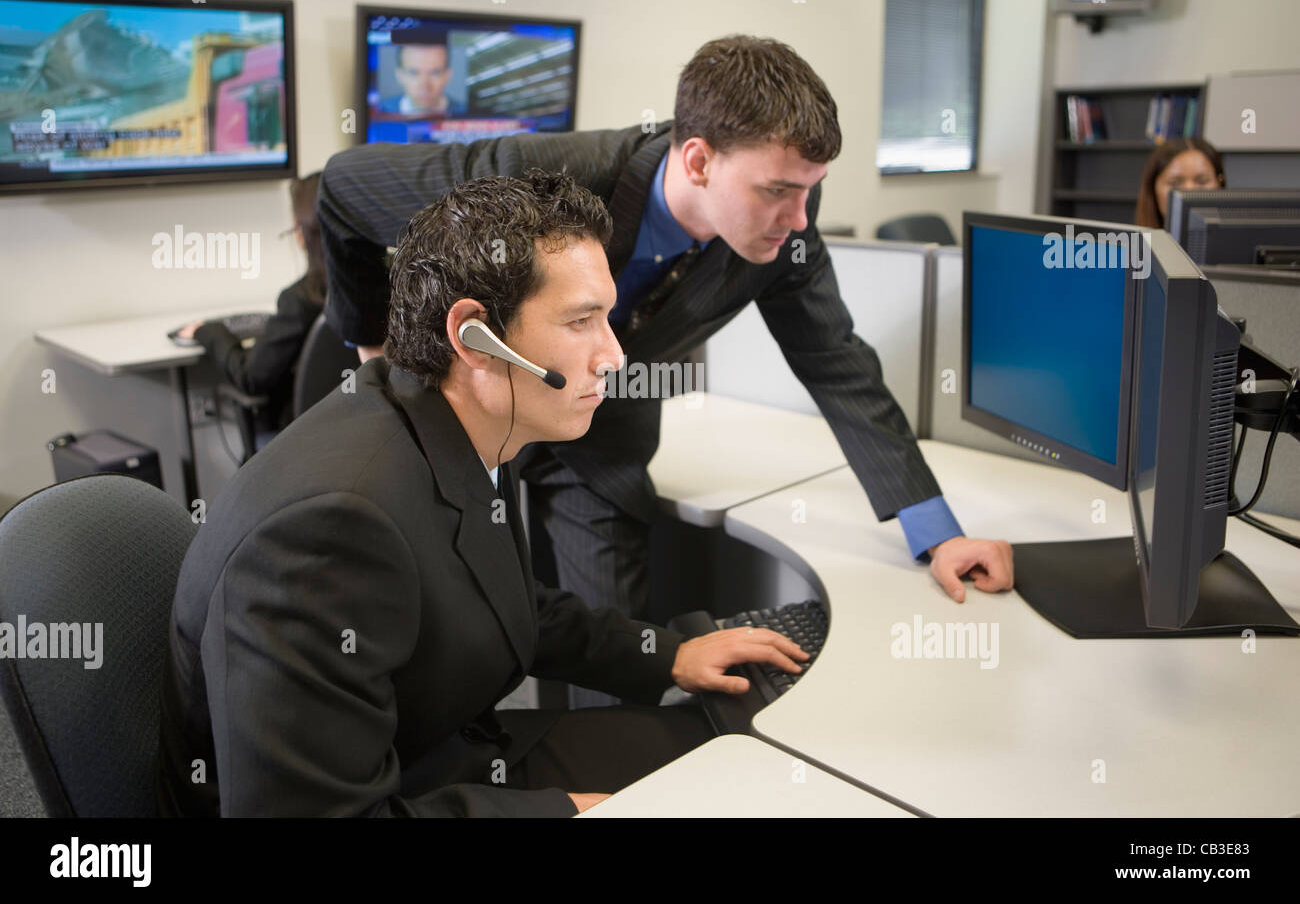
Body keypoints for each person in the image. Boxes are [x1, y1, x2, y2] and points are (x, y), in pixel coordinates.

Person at [319, 35, 1014, 706]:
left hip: (599, 433)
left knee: (623, 658)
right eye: (777, 189)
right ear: (699, 159)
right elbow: (344, 190)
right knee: (444, 620)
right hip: (474, 413)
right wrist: (375, 344)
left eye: (809, 191)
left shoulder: (784, 224)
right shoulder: (534, 178)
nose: (798, 219)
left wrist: (938, 530)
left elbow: (833, 358)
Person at [156, 169, 805, 817]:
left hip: (452, 756)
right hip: (401, 792)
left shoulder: (462, 419)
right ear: (475, 338)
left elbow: (499, 599)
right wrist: (560, 812)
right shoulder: (330, 531)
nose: (614, 357)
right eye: (581, 321)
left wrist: (667, 654)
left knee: (735, 756)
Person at [176, 172, 327, 444]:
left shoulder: (301, 300)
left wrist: (209, 332)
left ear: (302, 234)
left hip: (300, 443)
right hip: (365, 437)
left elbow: (252, 378)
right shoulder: (386, 282)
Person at [1134, 136, 1226, 229]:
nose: (1190, 191)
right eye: (1175, 183)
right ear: (1153, 187)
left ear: (1219, 183)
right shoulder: (1132, 242)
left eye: (1202, 181)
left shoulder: (1238, 242)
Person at [378, 41, 466, 117]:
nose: (424, 86)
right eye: (414, 73)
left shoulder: (464, 111)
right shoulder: (381, 110)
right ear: (399, 75)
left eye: (435, 72)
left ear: (447, 75)